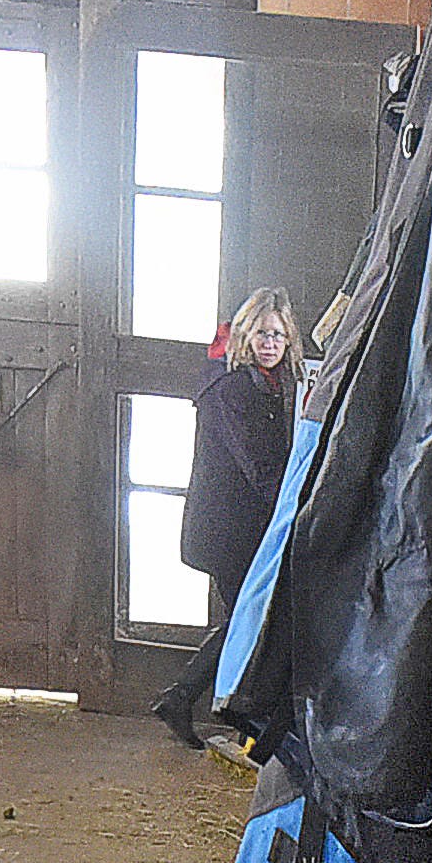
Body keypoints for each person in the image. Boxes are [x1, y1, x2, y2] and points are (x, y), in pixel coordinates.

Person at [150, 290, 300, 752]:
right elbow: (259, 465)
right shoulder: (234, 389)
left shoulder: (272, 386)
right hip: (226, 530)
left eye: (277, 334)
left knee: (247, 620)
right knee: (248, 623)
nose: (269, 342)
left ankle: (187, 700)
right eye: (261, 332)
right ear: (245, 336)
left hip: (243, 528)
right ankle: (211, 707)